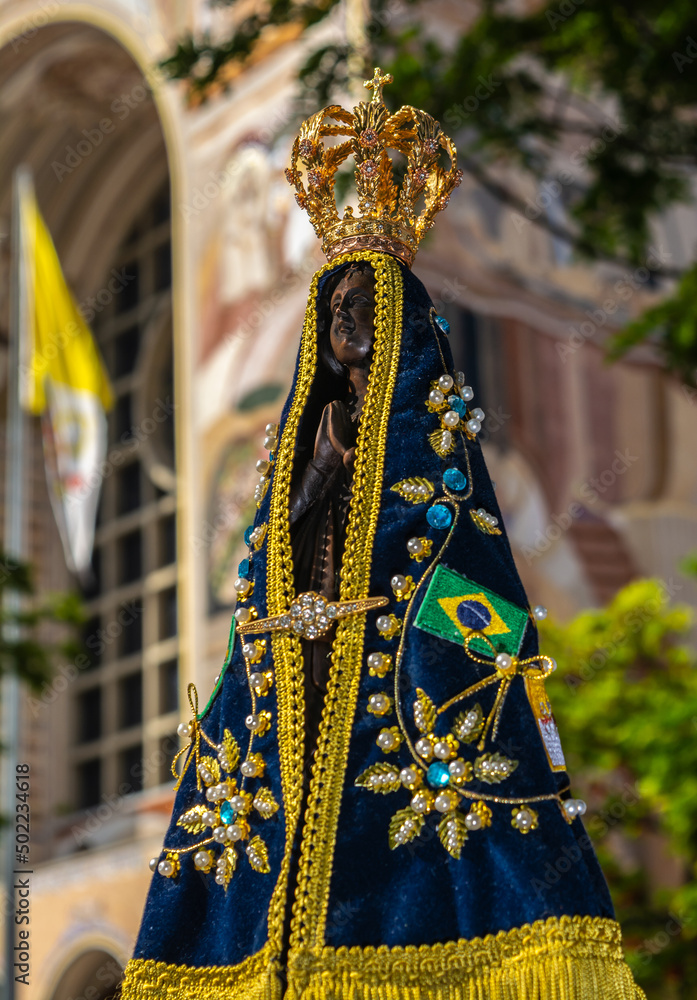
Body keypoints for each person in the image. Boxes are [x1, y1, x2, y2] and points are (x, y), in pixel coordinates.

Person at [121, 70, 643, 1000]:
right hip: (298, 674)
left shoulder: (427, 444)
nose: (348, 322)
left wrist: (458, 657)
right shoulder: (304, 443)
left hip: (390, 685)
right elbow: (267, 558)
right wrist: (319, 470)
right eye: (335, 311)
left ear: (401, 325)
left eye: (366, 307)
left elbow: (467, 565)